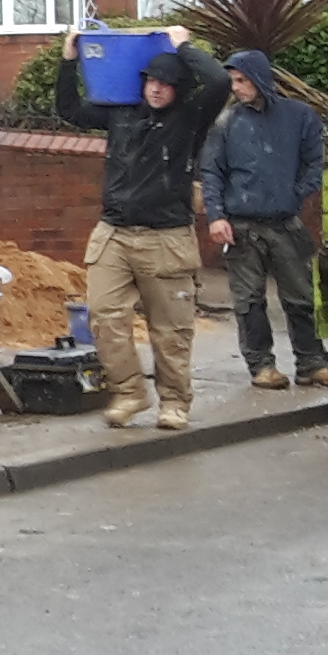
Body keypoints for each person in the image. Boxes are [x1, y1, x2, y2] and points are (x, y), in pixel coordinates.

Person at [54, 27, 227, 429]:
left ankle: (174, 402)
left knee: (170, 330)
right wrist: (68, 59)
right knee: (104, 316)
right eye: (152, 81)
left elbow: (218, 81)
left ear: (179, 89)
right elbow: (70, 110)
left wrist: (183, 43)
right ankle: (130, 392)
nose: (157, 89)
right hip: (113, 233)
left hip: (165, 237)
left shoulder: (191, 119)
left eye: (166, 84)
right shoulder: (121, 112)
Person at [201, 49, 328, 392]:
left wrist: (296, 193)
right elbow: (211, 172)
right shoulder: (226, 122)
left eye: (242, 80)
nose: (236, 88)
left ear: (259, 78)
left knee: (300, 297)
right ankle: (262, 366)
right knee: (249, 301)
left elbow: (316, 161)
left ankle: (313, 364)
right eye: (232, 81)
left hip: (284, 222)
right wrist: (216, 216)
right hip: (240, 226)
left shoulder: (299, 116)